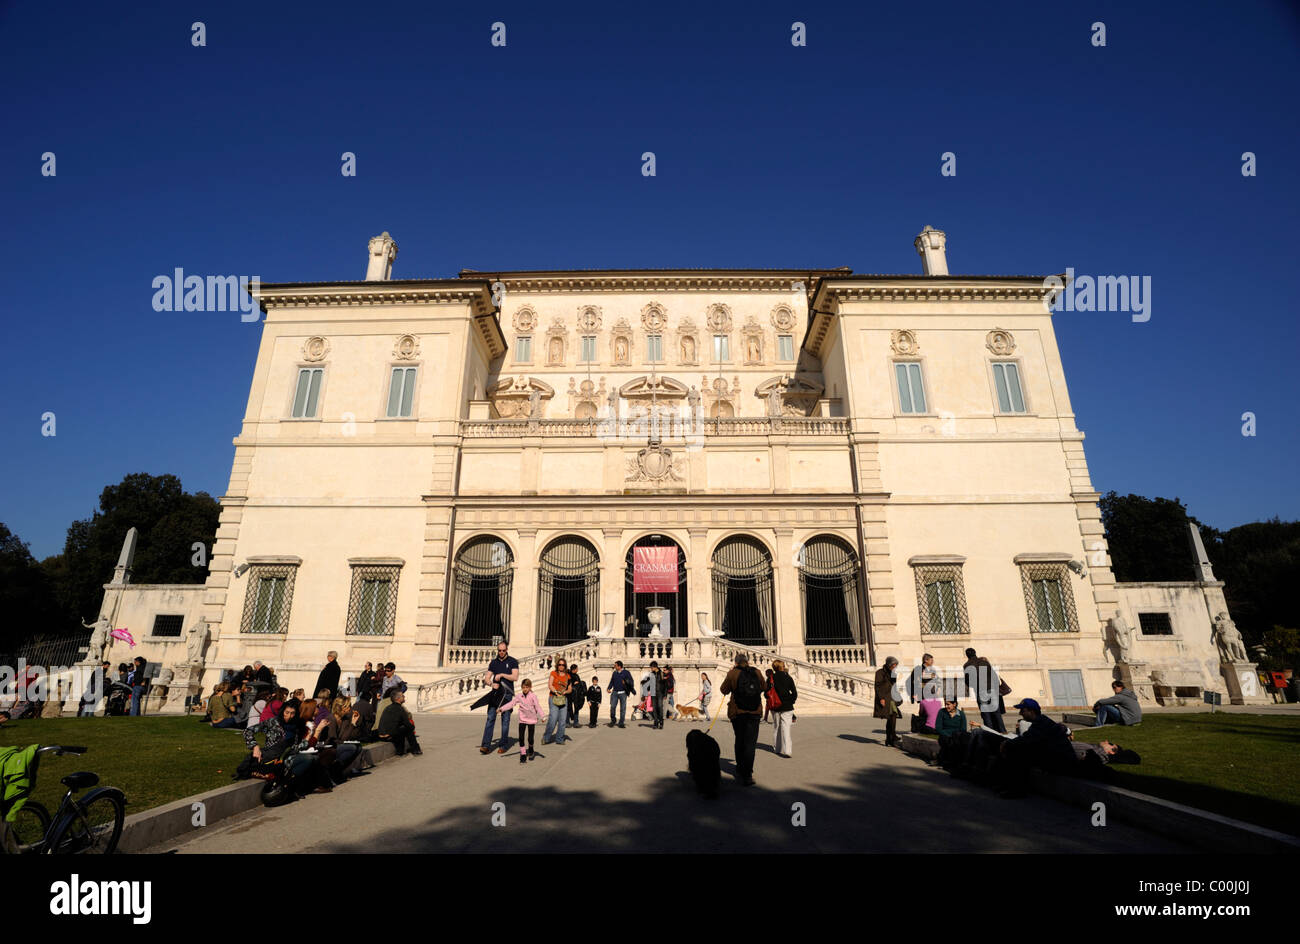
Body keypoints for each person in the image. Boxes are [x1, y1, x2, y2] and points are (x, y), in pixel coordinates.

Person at [994, 698, 1075, 797]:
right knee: (1020, 751)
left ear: (1031, 711)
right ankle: (1008, 785)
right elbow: (1027, 739)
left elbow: (1026, 740)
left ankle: (1017, 790)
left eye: (1022, 710)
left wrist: (1006, 744)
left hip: (1062, 763)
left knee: (1018, 754)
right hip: (1058, 759)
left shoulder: (1041, 723)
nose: (1020, 713)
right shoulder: (1041, 721)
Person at [721, 654, 767, 786]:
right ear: (748, 662)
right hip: (754, 712)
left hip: (738, 712)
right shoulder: (756, 672)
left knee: (740, 740)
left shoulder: (732, 673)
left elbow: (723, 690)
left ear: (736, 662)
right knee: (750, 743)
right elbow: (764, 687)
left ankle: (740, 767)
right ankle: (748, 774)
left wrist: (731, 676)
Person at [480, 642, 520, 755]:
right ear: (497, 650)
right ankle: (485, 746)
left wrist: (502, 675)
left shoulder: (512, 661)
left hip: (507, 694)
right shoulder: (494, 662)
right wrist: (491, 684)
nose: (501, 652)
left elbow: (515, 677)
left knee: (505, 720)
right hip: (495, 694)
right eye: (499, 650)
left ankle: (503, 745)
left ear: (507, 650)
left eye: (503, 650)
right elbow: (487, 678)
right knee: (490, 719)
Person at [497, 679, 544, 763]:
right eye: (523, 687)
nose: (525, 689)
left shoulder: (533, 696)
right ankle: (523, 754)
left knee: (530, 738)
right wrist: (501, 709)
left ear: (530, 687)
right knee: (521, 738)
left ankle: (531, 749)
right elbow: (511, 704)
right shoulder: (519, 696)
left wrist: (542, 716)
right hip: (522, 719)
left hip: (531, 719)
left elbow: (537, 706)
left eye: (527, 687)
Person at [963, 648, 1006, 733]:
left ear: (966, 655)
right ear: (975, 653)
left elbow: (968, 681)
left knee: (986, 714)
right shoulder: (984, 662)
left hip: (980, 691)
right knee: (996, 712)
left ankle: (989, 732)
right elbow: (994, 676)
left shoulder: (967, 665)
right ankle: (1003, 731)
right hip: (991, 689)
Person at [376, 690, 422, 756]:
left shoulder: (388, 707)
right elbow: (408, 725)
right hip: (389, 736)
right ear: (398, 699)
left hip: (381, 735)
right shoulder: (400, 709)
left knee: (400, 730)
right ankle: (416, 750)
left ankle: (400, 751)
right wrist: (412, 727)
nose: (404, 697)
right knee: (408, 729)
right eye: (403, 696)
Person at [906, 653, 942, 730]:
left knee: (929, 711)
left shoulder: (932, 669)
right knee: (923, 711)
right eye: (931, 660)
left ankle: (928, 727)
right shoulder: (918, 669)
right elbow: (911, 681)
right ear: (926, 660)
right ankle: (922, 727)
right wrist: (913, 693)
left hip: (931, 694)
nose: (933, 662)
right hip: (922, 693)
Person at [770, 660, 797, 757]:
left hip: (775, 705)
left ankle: (777, 748)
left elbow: (767, 692)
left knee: (777, 727)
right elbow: (794, 692)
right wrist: (791, 701)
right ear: (782, 666)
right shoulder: (788, 677)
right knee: (786, 728)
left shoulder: (771, 678)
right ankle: (787, 751)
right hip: (787, 706)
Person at [543, 658, 572, 745]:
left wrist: (565, 692)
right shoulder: (553, 673)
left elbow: (570, 688)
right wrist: (556, 692)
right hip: (553, 698)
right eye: (559, 664)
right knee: (553, 719)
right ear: (557, 665)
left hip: (563, 699)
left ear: (565, 666)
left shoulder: (568, 676)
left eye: (563, 665)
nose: (561, 666)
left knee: (562, 720)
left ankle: (559, 738)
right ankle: (546, 737)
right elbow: (550, 684)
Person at [934, 697, 968, 769]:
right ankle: (946, 761)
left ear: (954, 704)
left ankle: (942, 759)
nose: (946, 706)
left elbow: (963, 729)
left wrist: (955, 736)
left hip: (957, 737)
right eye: (945, 704)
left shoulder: (961, 714)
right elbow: (938, 728)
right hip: (944, 736)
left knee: (956, 743)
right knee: (947, 741)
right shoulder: (941, 712)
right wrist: (949, 735)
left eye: (948, 704)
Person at [874, 656, 902, 747]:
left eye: (896, 665)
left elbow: (894, 685)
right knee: (890, 717)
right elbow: (877, 686)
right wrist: (881, 698)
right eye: (894, 665)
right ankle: (890, 737)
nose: (895, 667)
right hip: (885, 698)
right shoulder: (879, 673)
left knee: (893, 716)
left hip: (892, 697)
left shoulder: (893, 673)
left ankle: (890, 737)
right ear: (889, 664)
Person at [606, 660, 632, 728]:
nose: (614, 666)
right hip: (614, 692)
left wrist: (626, 683)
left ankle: (621, 722)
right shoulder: (614, 673)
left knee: (622, 708)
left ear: (619, 666)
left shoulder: (626, 673)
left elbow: (631, 681)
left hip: (623, 693)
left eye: (615, 665)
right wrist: (609, 688)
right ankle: (613, 720)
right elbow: (612, 681)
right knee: (612, 707)